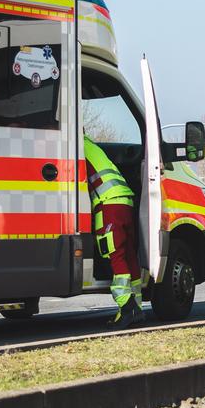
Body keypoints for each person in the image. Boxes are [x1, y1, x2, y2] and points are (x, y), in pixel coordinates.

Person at [82, 134, 147, 325]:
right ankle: (137, 308)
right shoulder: (91, 145)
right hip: (125, 201)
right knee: (128, 255)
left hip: (109, 203)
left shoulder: (76, 145)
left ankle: (127, 306)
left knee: (114, 254)